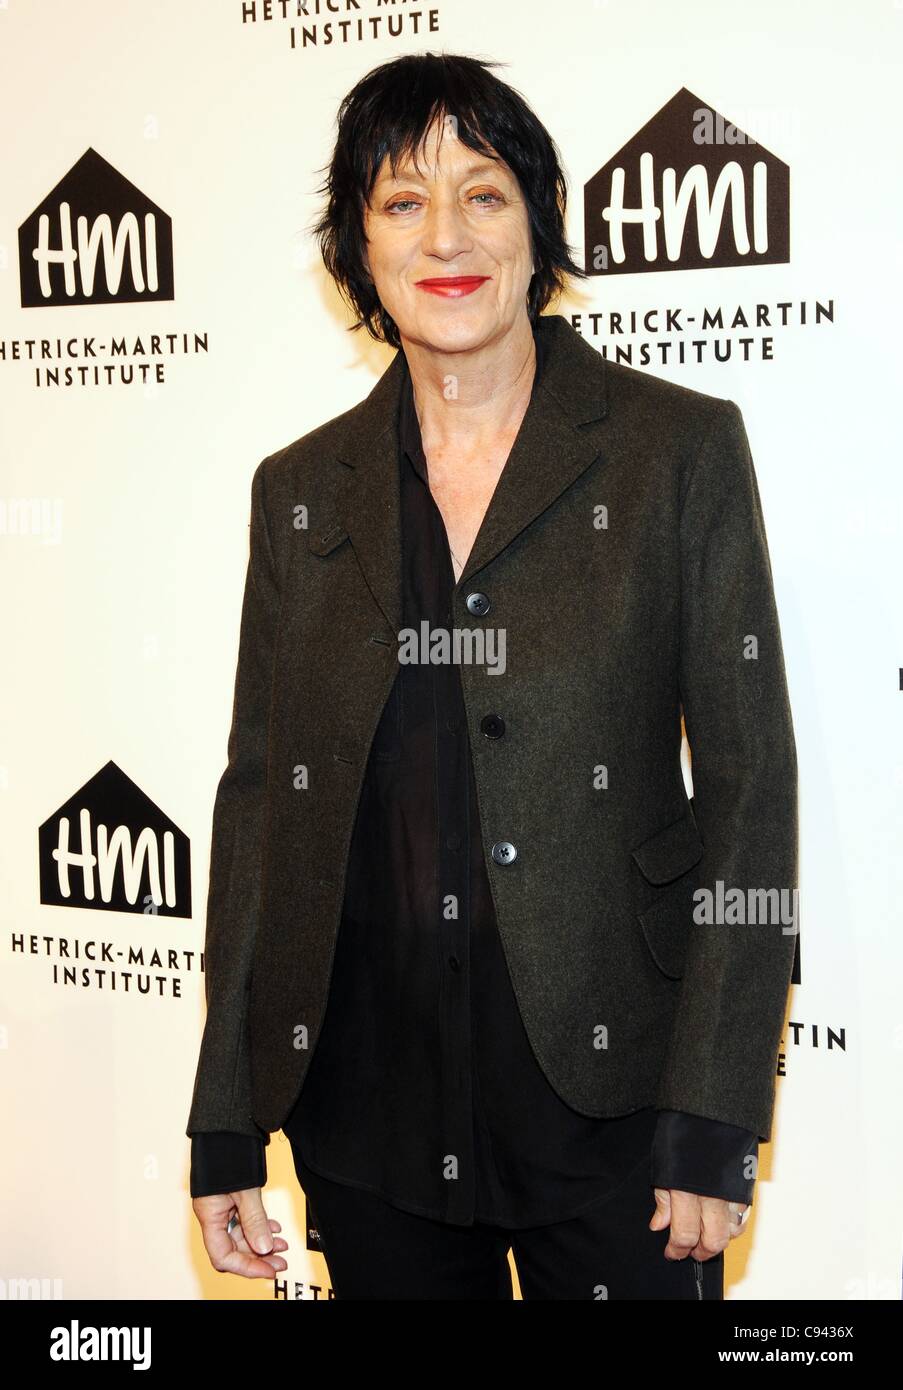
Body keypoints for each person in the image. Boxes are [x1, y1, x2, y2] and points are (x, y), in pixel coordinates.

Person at [187, 52, 798, 1300]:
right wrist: (226, 1115)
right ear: (356, 251)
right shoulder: (298, 495)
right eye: (403, 203)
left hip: (615, 1113)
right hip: (367, 1121)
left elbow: (748, 791)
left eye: (485, 193)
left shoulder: (675, 451)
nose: (447, 236)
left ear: (539, 223)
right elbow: (261, 812)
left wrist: (716, 1111)